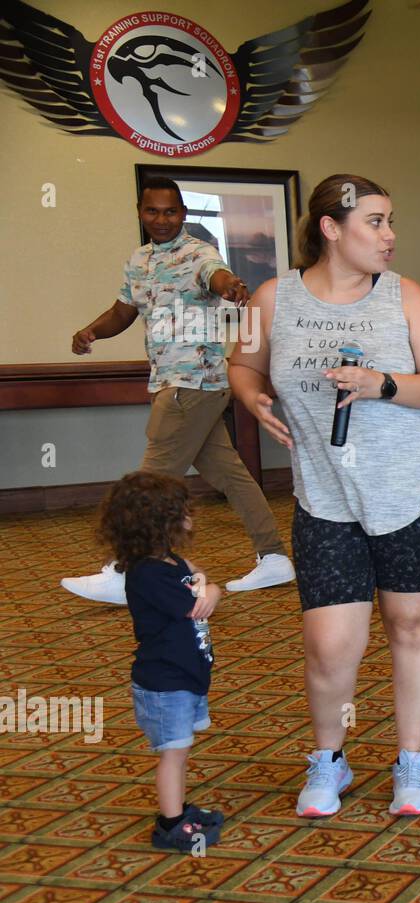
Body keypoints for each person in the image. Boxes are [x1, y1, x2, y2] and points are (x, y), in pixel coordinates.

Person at [229, 174, 420, 818]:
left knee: (410, 627)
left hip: (414, 490)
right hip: (327, 500)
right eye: (376, 223)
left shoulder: (405, 296)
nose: (390, 237)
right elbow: (243, 363)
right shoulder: (274, 299)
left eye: (392, 221)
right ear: (332, 229)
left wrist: (382, 383)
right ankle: (329, 759)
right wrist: (252, 398)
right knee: (330, 644)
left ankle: (411, 760)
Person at [61, 177, 294, 604]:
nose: (162, 219)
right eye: (153, 211)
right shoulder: (139, 260)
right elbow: (123, 310)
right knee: (231, 475)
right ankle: (275, 557)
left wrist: (229, 286)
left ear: (183, 214)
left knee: (151, 480)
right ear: (140, 211)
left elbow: (216, 275)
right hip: (173, 383)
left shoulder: (199, 252)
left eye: (171, 211)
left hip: (192, 384)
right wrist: (92, 331)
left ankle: (125, 571)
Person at [98, 471, 226, 851]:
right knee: (173, 754)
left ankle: (179, 810)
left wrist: (212, 587)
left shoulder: (168, 560)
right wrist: (211, 594)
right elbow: (194, 605)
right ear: (161, 520)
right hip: (165, 683)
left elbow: (198, 577)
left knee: (180, 750)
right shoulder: (148, 574)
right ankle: (171, 825)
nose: (191, 513)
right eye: (182, 509)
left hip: (182, 676)